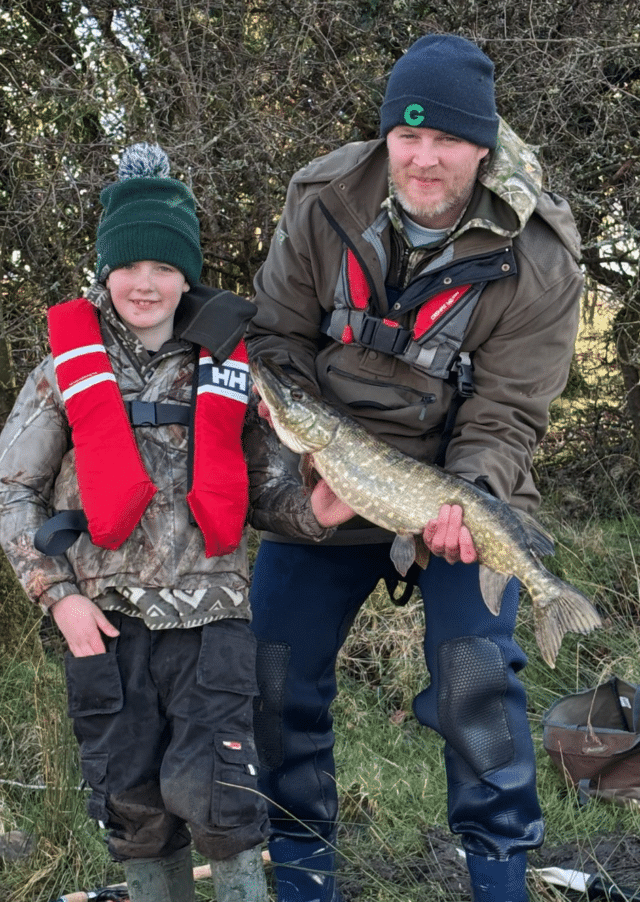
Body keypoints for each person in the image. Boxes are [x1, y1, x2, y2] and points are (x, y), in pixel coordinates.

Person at [245, 34, 584, 902]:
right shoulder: (324, 195)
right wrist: (299, 494)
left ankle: (499, 879)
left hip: (453, 488)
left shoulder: (542, 258)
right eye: (407, 136)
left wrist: (462, 504)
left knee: (476, 685)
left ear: (483, 144)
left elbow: (508, 415)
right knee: (275, 676)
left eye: (447, 142)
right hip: (330, 470)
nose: (424, 159)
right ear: (387, 133)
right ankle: (301, 876)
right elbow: (274, 342)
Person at [0, 143, 276, 902]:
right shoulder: (62, 368)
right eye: (129, 266)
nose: (145, 283)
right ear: (105, 270)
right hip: (105, 622)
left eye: (162, 267)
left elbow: (272, 490)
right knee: (133, 810)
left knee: (225, 805)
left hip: (214, 619)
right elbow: (12, 490)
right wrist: (58, 596)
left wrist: (321, 506)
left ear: (186, 273)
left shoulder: (233, 361)